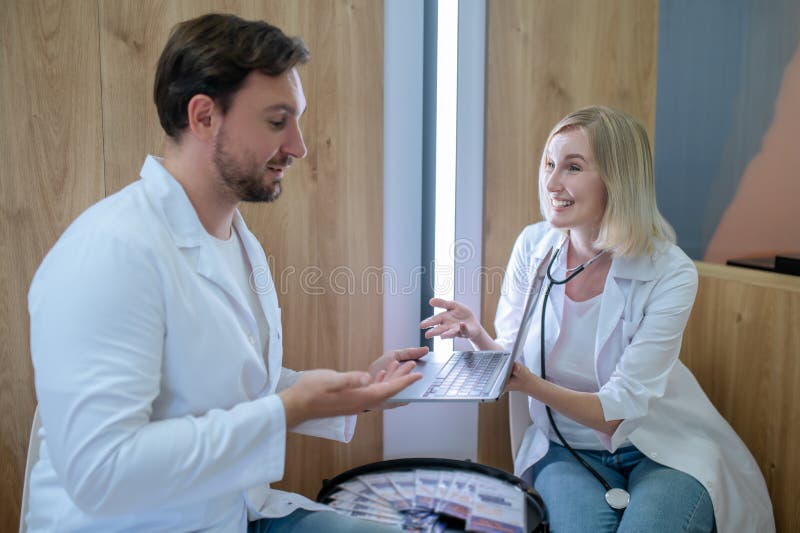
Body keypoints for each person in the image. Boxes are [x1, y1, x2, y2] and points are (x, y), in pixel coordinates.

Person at [26, 13, 426, 532]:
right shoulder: (110, 253)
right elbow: (101, 472)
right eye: (278, 122)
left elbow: (234, 384)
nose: (299, 147)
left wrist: (357, 391)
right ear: (204, 117)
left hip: (234, 512)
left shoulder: (236, 239)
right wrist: (285, 412)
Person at [421, 106, 775, 532]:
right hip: (567, 449)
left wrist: (528, 384)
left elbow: (617, 410)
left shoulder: (670, 271)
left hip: (662, 447)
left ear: (617, 179)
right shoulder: (533, 246)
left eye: (572, 167)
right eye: (549, 164)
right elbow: (514, 365)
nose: (551, 183)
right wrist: (479, 336)